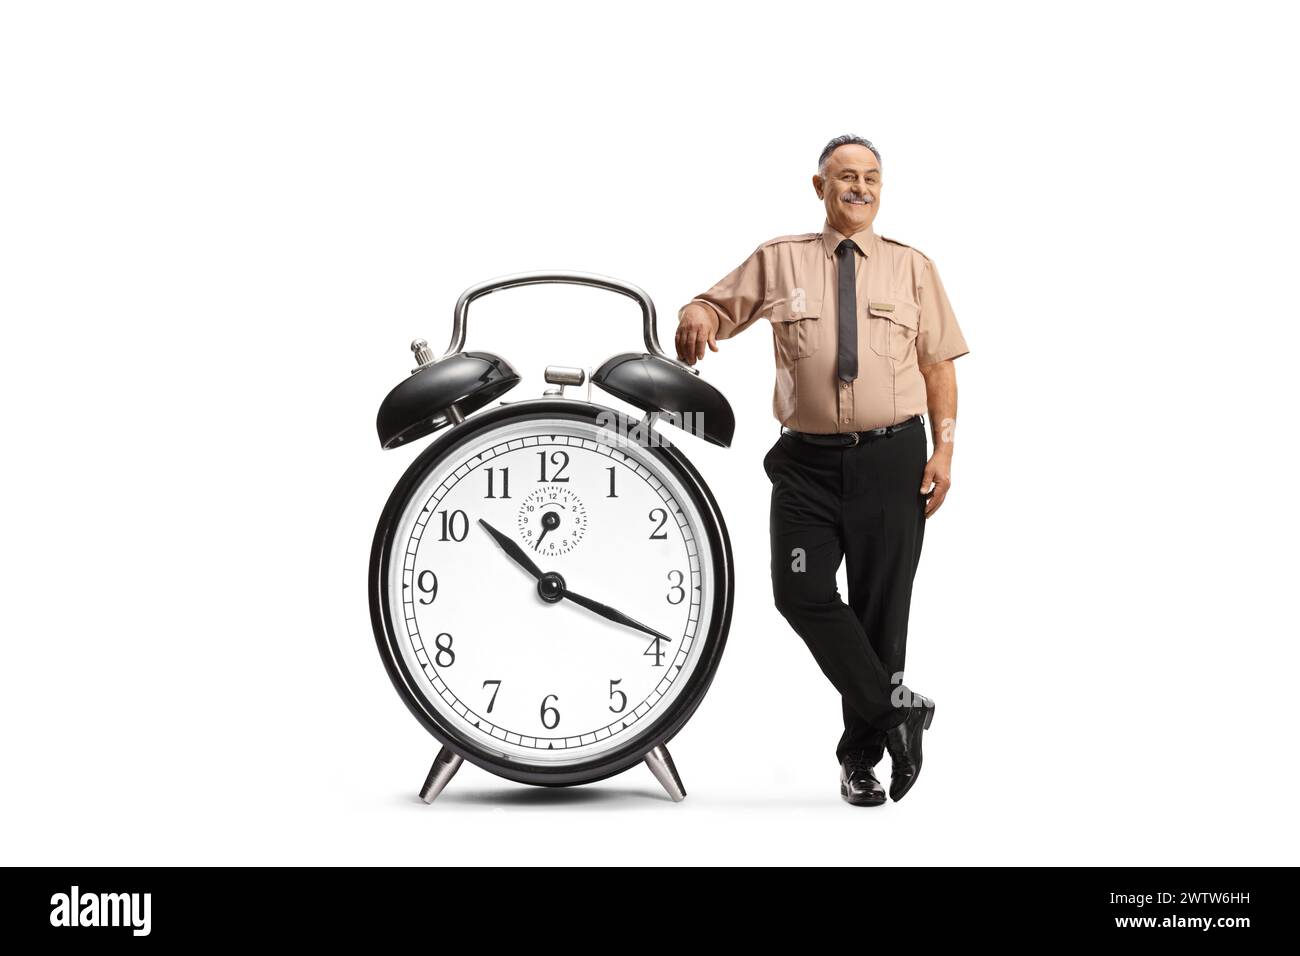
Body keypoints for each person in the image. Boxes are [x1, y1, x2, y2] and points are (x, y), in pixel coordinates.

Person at [674, 134, 968, 806]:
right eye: (846, 176)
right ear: (820, 187)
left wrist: (945, 449)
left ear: (881, 188)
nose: (859, 188)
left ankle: (861, 761)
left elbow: (938, 366)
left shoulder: (913, 268)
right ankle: (898, 713)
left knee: (880, 614)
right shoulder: (780, 260)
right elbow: (717, 308)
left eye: (871, 177)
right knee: (799, 591)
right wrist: (696, 310)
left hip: (893, 459)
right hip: (805, 466)